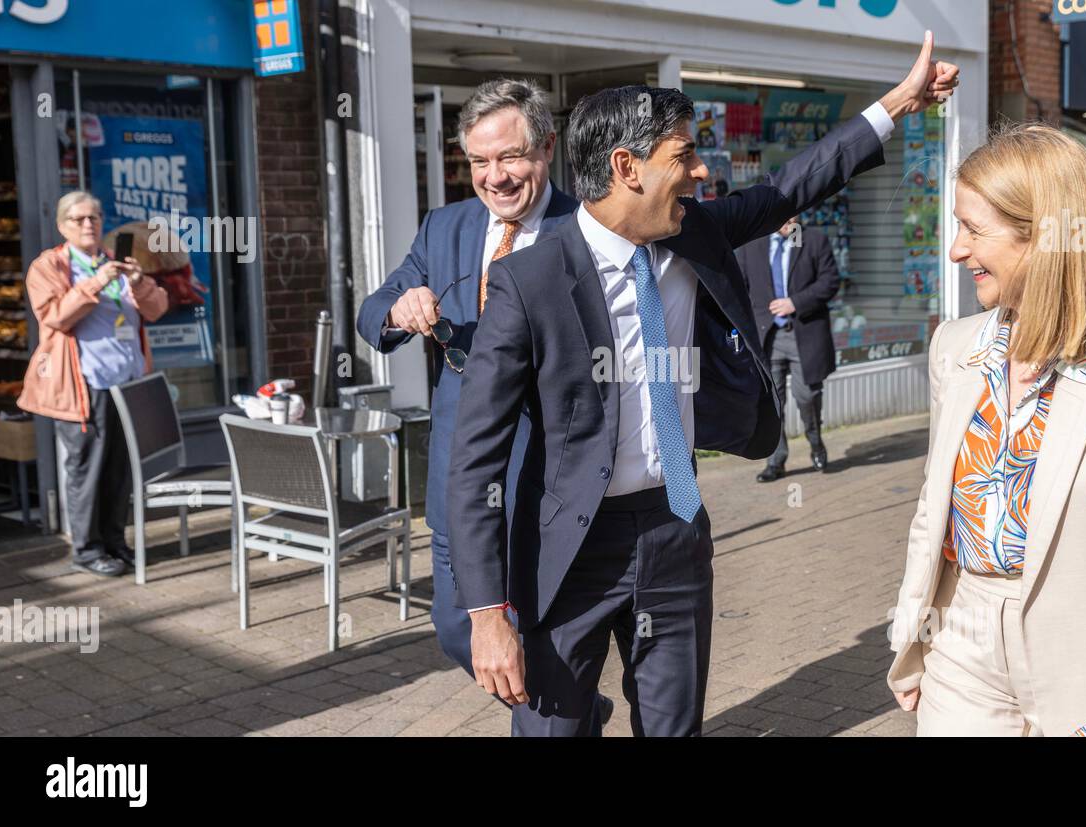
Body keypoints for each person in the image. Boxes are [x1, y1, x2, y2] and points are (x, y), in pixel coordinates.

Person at [449, 34, 958, 736]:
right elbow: (475, 456)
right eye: (683, 155)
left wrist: (899, 102)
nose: (698, 171)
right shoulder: (527, 281)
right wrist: (485, 616)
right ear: (626, 167)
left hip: (675, 528)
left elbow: (798, 181)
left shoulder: (697, 233)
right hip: (568, 551)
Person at [886, 123, 1086, 736]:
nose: (955, 250)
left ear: (1045, 238)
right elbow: (936, 505)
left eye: (973, 229)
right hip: (961, 641)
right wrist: (913, 633)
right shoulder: (954, 348)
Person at [354, 80, 622, 716]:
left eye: (510, 157)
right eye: (479, 161)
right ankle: (576, 707)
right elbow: (370, 312)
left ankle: (563, 705)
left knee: (532, 638)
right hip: (460, 471)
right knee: (457, 628)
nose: (495, 177)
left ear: (547, 149)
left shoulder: (587, 228)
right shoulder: (445, 224)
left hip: (549, 478)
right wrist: (398, 307)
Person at [18, 191, 169, 577]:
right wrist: (95, 283)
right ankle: (87, 551)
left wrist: (138, 283)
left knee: (120, 470)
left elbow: (157, 309)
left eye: (95, 217)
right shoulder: (48, 266)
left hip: (128, 384)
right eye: (79, 219)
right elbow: (54, 316)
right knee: (88, 470)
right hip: (84, 386)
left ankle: (116, 543)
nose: (89, 224)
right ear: (62, 226)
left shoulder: (114, 261)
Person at [737, 217, 840, 480]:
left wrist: (795, 302)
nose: (789, 221)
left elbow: (830, 281)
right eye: (783, 216)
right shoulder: (751, 247)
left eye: (794, 216)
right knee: (773, 402)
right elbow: (740, 289)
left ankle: (816, 443)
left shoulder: (814, 241)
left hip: (804, 335)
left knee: (807, 396)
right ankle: (776, 460)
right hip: (767, 338)